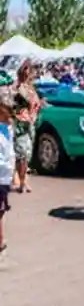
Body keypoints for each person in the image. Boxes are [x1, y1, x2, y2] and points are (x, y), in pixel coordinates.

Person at [11, 61, 40, 194]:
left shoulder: (30, 88)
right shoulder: (17, 88)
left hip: (30, 124)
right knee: (21, 154)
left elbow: (35, 104)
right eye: (26, 71)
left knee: (27, 154)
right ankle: (21, 182)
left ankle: (23, 179)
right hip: (20, 124)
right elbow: (14, 106)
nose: (29, 74)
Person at [0, 94, 15, 254]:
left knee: (2, 209)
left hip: (5, 175)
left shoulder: (8, 129)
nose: (10, 115)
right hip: (1, 173)